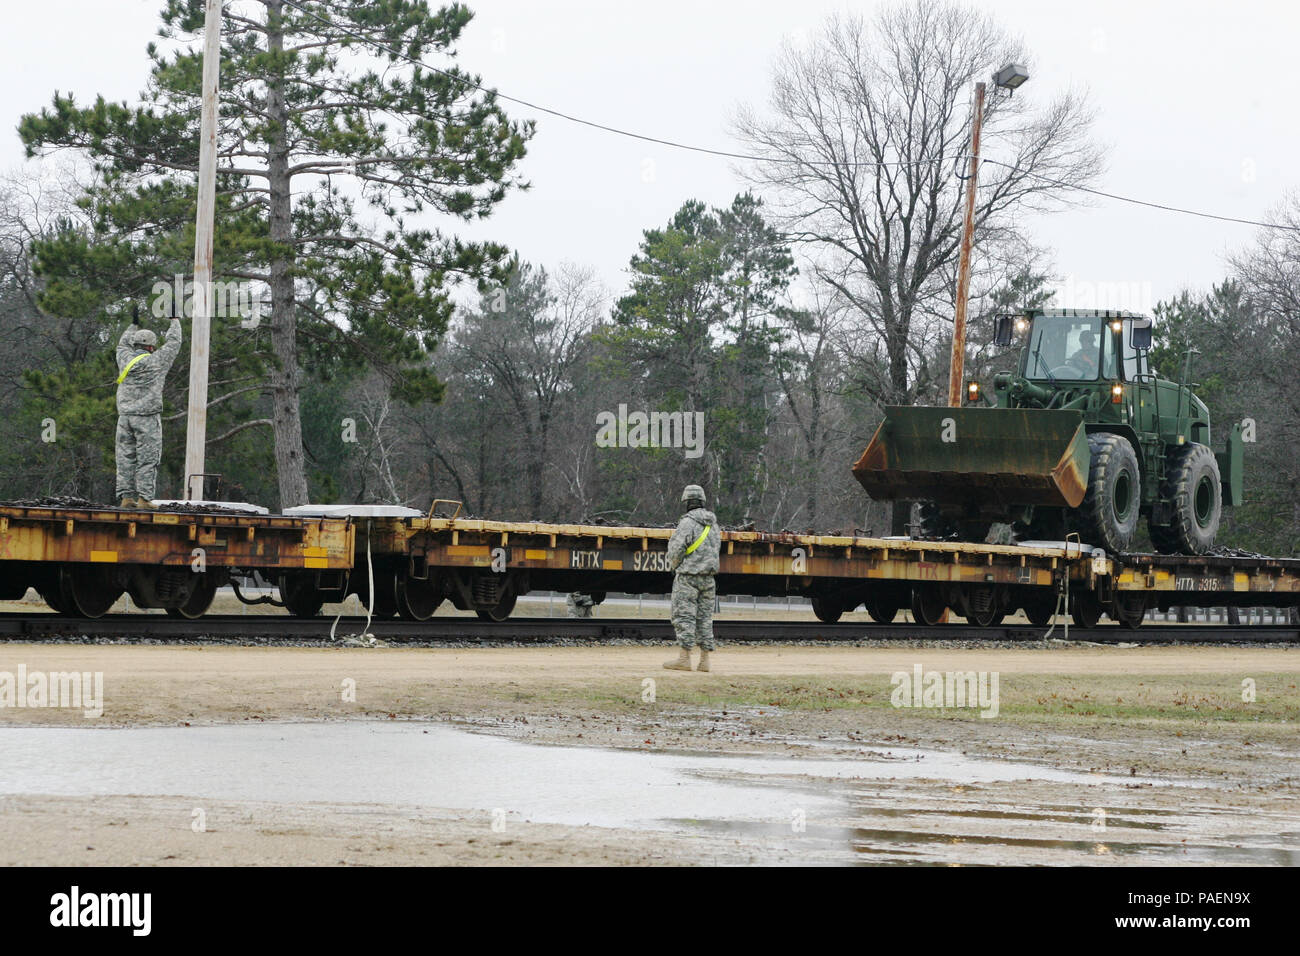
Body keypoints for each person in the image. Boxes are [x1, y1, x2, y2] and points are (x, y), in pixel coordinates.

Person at [115, 309, 183, 509]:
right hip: (146, 417)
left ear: (135, 344)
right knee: (147, 459)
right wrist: (174, 320)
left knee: (125, 458)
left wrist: (132, 325)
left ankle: (126, 499)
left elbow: (122, 344)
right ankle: (144, 499)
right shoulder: (157, 361)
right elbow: (173, 343)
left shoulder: (124, 359)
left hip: (125, 417)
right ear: (152, 347)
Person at [664, 484, 720, 672]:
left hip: (688, 577)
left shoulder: (687, 523)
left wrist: (674, 565)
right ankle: (705, 660)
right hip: (708, 579)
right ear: (702, 501)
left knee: (684, 616)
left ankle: (684, 658)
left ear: (686, 502)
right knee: (704, 618)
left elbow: (676, 549)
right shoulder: (713, 524)